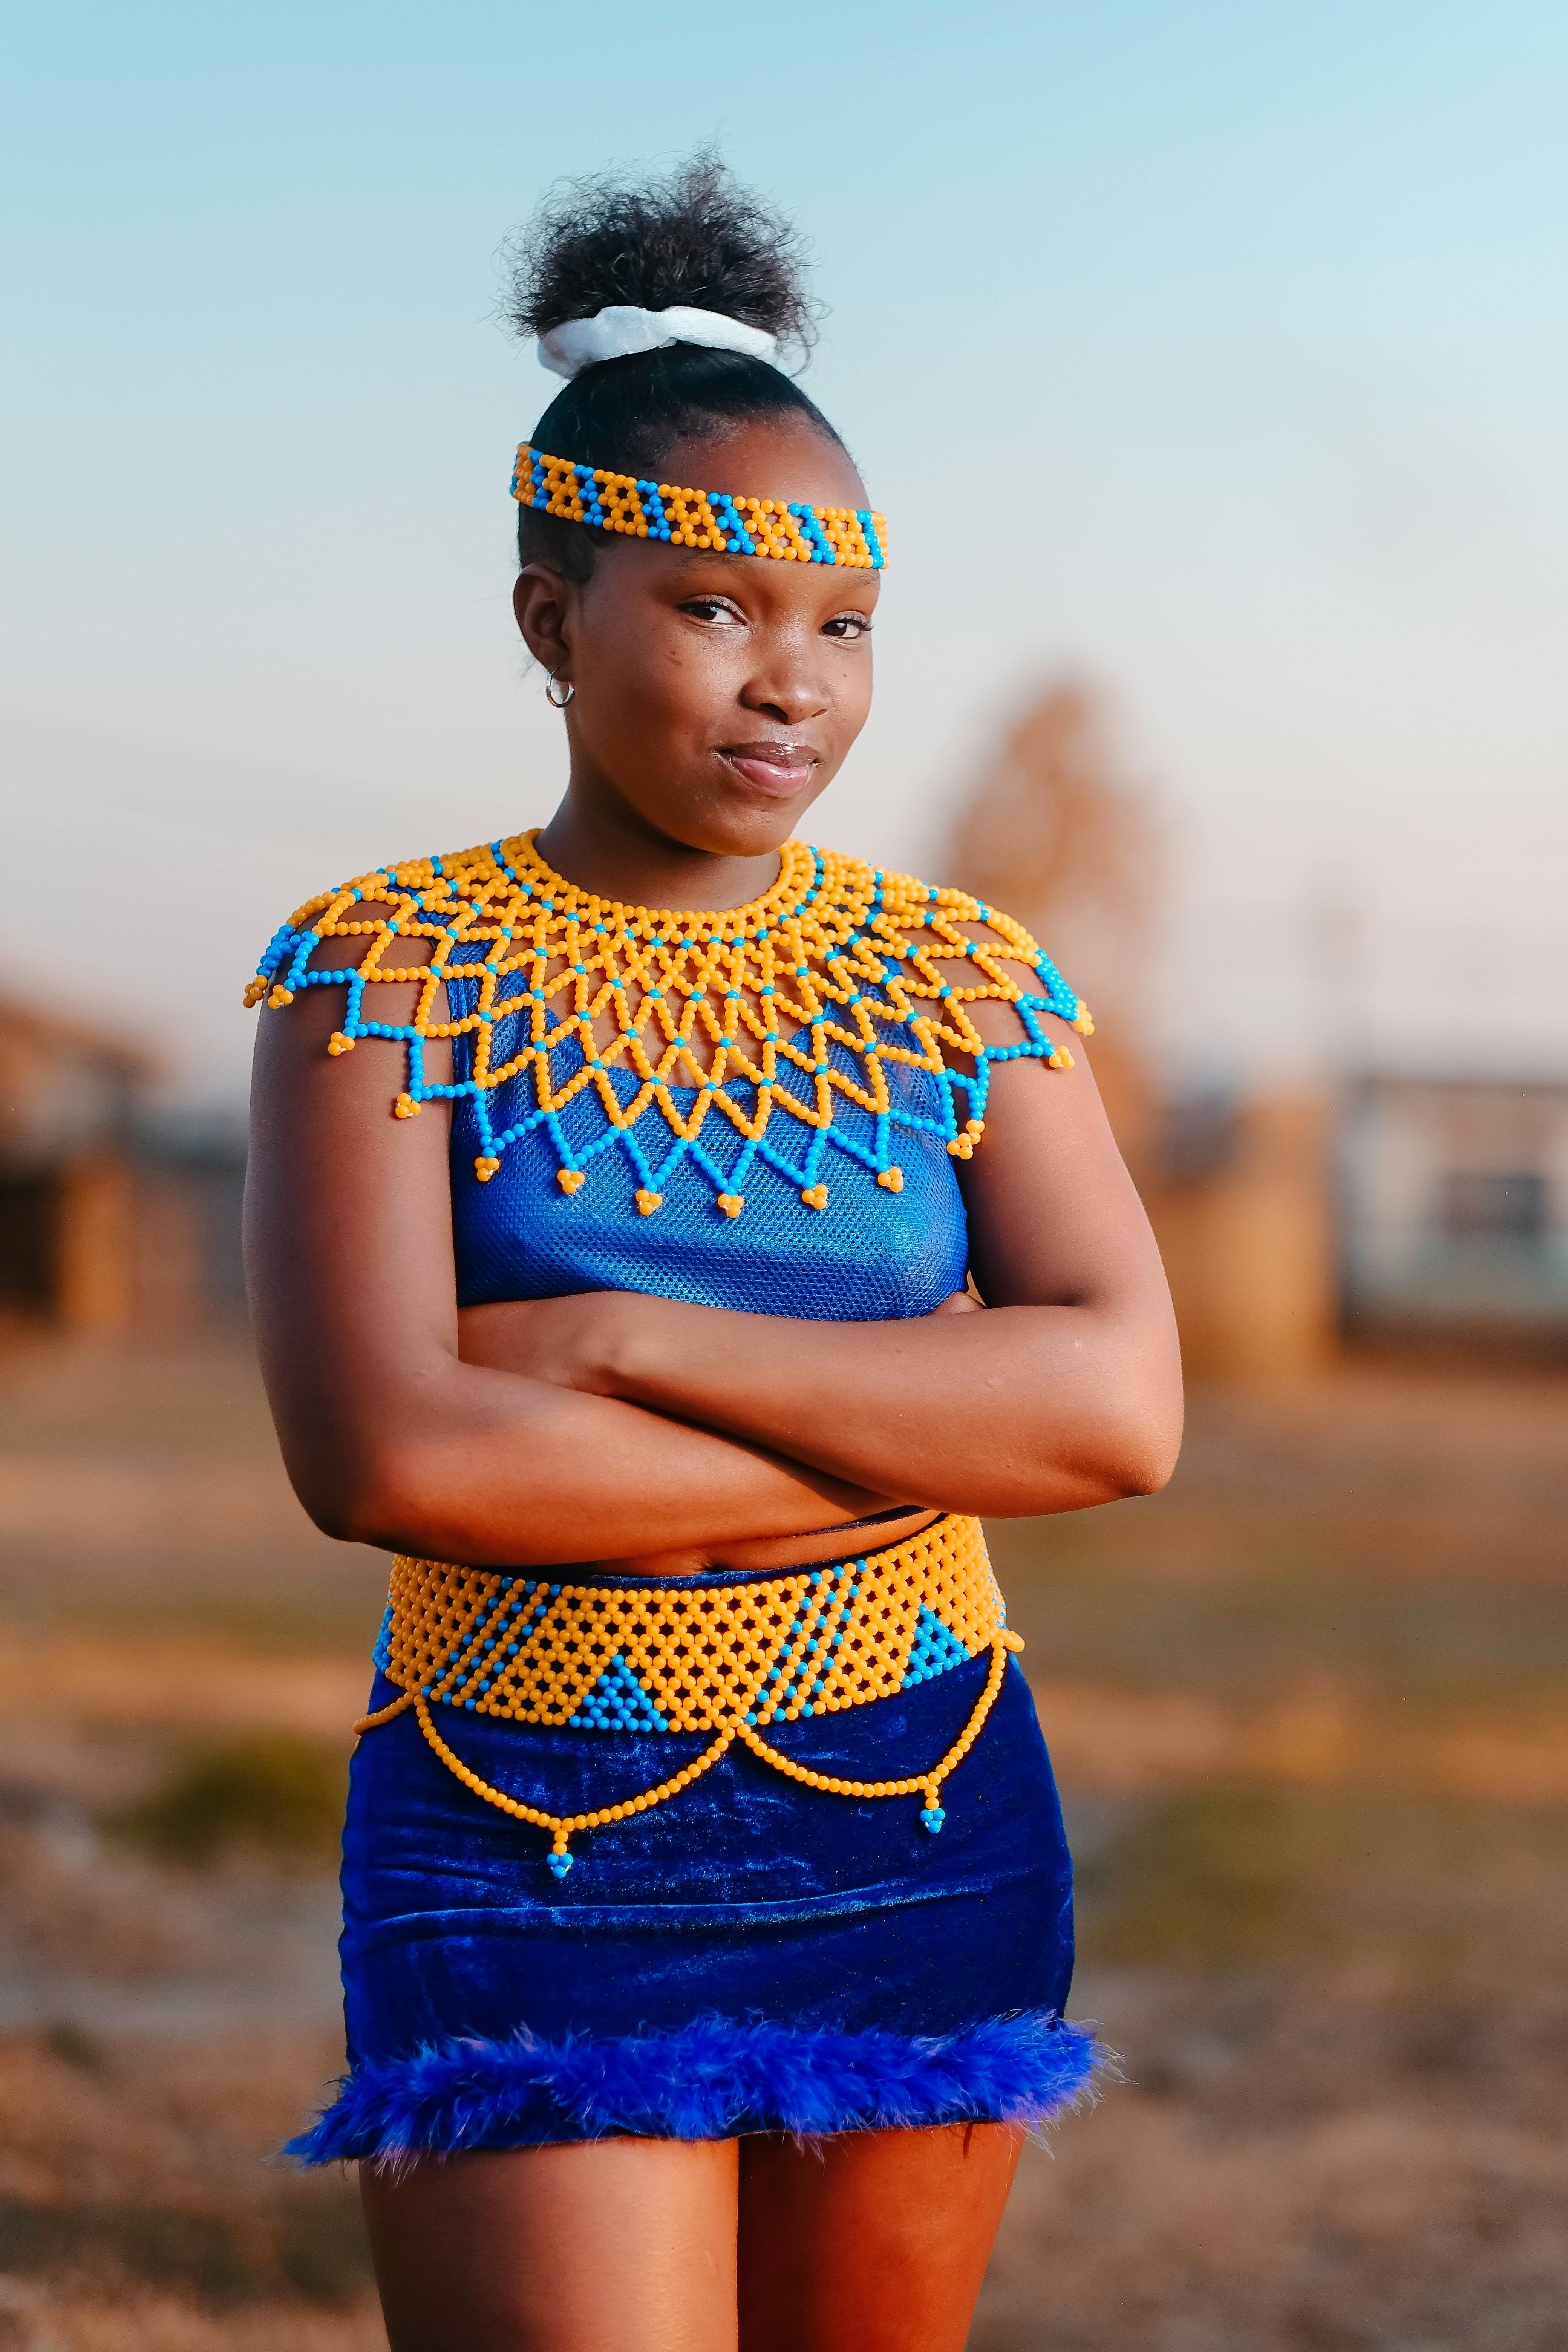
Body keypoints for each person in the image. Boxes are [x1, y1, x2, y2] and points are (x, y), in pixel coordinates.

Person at [244, 154, 1183, 2352]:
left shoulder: (963, 975)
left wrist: (607, 1339)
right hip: (521, 1818)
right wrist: (938, 1424)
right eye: (716, 609)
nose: (795, 688)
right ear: (548, 620)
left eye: (842, 625)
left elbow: (1124, 1408)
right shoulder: (383, 972)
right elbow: (389, 1462)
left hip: (923, 1793)